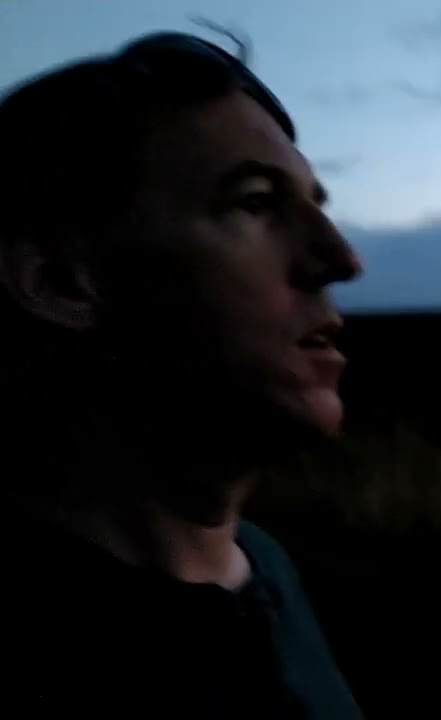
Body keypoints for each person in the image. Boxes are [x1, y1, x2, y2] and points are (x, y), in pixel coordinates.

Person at [0, 29, 364, 717]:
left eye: (318, 206)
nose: (341, 259)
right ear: (62, 283)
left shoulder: (269, 574)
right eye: (255, 203)